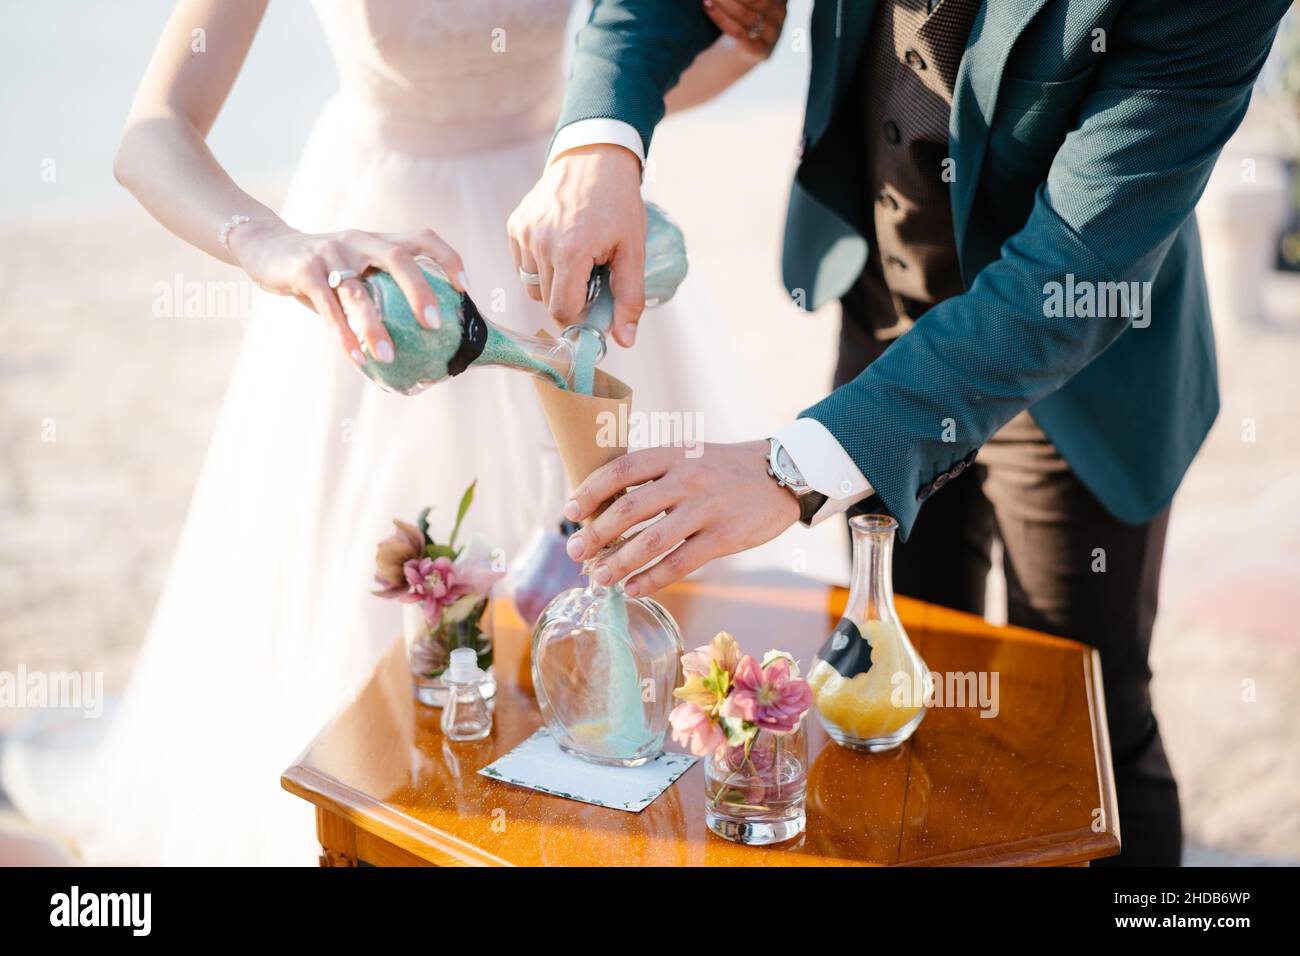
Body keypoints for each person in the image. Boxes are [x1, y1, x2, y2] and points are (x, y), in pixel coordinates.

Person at [0, 0, 786, 865]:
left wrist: (743, 50)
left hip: (554, 222)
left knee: (635, 589)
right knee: (386, 628)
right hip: (386, 267)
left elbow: (621, 68)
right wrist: (275, 248)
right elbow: (151, 133)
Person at [508, 0, 1292, 865]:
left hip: (1080, 362)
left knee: (1090, 728)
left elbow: (1072, 269)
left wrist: (788, 470)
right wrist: (599, 139)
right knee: (885, 688)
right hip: (882, 313)